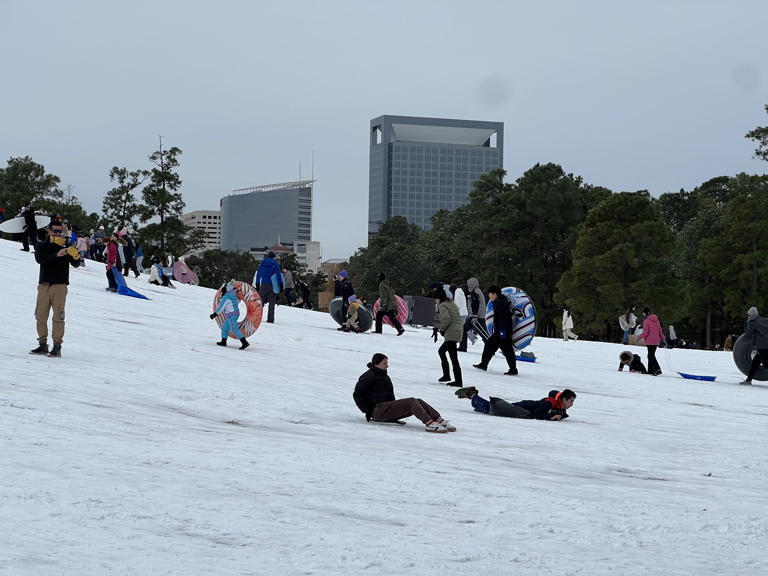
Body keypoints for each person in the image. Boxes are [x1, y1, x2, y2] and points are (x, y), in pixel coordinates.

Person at [353, 353, 456, 433]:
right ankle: (430, 423)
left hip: (386, 408)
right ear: (376, 364)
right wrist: (368, 412)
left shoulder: (383, 375)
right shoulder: (369, 376)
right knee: (411, 402)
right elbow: (357, 394)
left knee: (417, 401)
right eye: (385, 363)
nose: (387, 366)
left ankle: (439, 420)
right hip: (378, 411)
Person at [30, 217, 81, 357]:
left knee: (58, 316)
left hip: (60, 285)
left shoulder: (66, 246)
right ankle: (42, 344)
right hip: (44, 284)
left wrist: (75, 255)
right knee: (40, 315)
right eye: (55, 231)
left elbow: (76, 264)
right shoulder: (42, 245)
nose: (58, 234)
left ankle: (57, 346)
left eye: (60, 231)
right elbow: (39, 259)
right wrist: (56, 255)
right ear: (49, 231)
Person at [455, 386, 576, 420]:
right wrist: (550, 417)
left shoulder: (558, 405)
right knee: (494, 409)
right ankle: (472, 395)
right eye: (570, 401)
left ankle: (474, 398)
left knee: (493, 410)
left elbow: (563, 414)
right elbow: (536, 415)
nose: (571, 404)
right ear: (564, 400)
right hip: (521, 408)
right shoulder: (549, 403)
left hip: (523, 408)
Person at [473, 285, 518, 375]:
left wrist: (502, 332)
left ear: (495, 294)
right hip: (503, 331)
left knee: (492, 346)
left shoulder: (500, 304)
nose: (489, 296)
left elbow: (503, 319)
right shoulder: (500, 302)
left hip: (502, 331)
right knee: (506, 350)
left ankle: (484, 364)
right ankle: (512, 369)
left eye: (490, 294)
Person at [433, 285, 463, 387]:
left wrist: (442, 330)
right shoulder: (452, 304)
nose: (436, 301)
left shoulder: (442, 306)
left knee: (453, 357)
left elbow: (446, 319)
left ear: (438, 299)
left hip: (452, 332)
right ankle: (446, 375)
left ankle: (458, 381)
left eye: (436, 299)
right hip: (457, 330)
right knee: (442, 351)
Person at [209, 280, 249, 350]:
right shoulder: (233, 295)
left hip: (231, 314)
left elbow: (222, 306)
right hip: (235, 313)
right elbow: (238, 301)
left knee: (234, 329)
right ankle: (223, 341)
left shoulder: (226, 297)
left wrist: (215, 314)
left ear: (227, 288)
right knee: (225, 327)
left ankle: (244, 342)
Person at [740, 306, 768, 385]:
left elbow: (748, 335)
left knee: (766, 364)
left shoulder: (752, 322)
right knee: (755, 362)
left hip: (763, 346)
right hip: (764, 345)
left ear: (751, 315)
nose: (748, 316)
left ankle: (748, 380)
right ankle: (748, 380)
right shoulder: (765, 320)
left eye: (749, 315)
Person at [254, 251, 283, 323]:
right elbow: (278, 275)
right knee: (271, 303)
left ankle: (256, 317)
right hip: (272, 285)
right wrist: (281, 285)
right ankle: (270, 319)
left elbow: (258, 274)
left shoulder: (262, 264)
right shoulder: (275, 264)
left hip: (263, 284)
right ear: (273, 257)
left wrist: (257, 284)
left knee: (260, 302)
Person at [460, 277, 485, 352]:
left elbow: (475, 304)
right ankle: (490, 348)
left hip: (475, 316)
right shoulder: (478, 291)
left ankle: (463, 347)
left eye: (468, 285)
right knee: (482, 333)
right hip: (480, 316)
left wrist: (474, 316)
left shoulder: (475, 292)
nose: (468, 286)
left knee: (464, 330)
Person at [639, 306, 665, 376]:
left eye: (643, 314)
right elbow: (660, 330)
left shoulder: (646, 321)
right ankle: (651, 370)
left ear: (645, 313)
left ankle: (657, 369)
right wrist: (663, 339)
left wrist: (639, 337)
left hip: (650, 341)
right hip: (656, 341)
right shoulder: (656, 320)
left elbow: (646, 332)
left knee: (651, 356)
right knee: (650, 355)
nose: (643, 315)